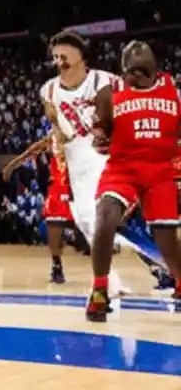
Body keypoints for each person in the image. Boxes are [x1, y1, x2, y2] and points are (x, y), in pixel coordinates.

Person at [41, 30, 159, 296]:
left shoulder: (105, 81)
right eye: (55, 56)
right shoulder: (47, 90)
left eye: (65, 54)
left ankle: (158, 264)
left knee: (106, 221)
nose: (59, 61)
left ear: (81, 56)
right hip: (76, 162)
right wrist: (57, 136)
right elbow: (56, 127)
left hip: (107, 156)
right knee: (89, 225)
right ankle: (119, 277)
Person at [86, 41, 181, 321]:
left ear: (155, 68)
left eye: (142, 70)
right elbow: (100, 132)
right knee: (105, 214)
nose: (134, 76)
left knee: (167, 238)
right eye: (129, 70)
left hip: (161, 169)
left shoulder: (175, 93)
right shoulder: (109, 94)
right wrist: (99, 138)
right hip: (123, 168)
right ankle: (100, 291)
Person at [3, 133, 71, 283]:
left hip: (80, 186)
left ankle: (107, 274)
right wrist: (12, 165)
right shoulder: (52, 138)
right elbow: (31, 151)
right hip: (59, 188)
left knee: (93, 231)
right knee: (54, 231)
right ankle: (57, 266)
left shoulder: (83, 134)